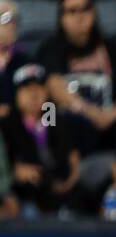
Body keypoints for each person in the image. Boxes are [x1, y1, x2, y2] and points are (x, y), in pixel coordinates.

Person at [38, 0, 116, 155]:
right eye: (72, 11)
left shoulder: (114, 48)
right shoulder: (50, 48)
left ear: (94, 14)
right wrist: (91, 112)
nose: (80, 16)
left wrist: (114, 113)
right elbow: (56, 88)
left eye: (85, 9)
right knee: (50, 113)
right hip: (73, 114)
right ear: (61, 18)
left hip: (111, 113)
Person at [0, 63, 81, 215]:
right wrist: (15, 171)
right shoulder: (7, 123)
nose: (33, 95)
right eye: (27, 89)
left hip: (58, 186)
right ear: (17, 94)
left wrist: (69, 181)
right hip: (23, 191)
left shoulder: (53, 117)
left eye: (38, 88)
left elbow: (71, 155)